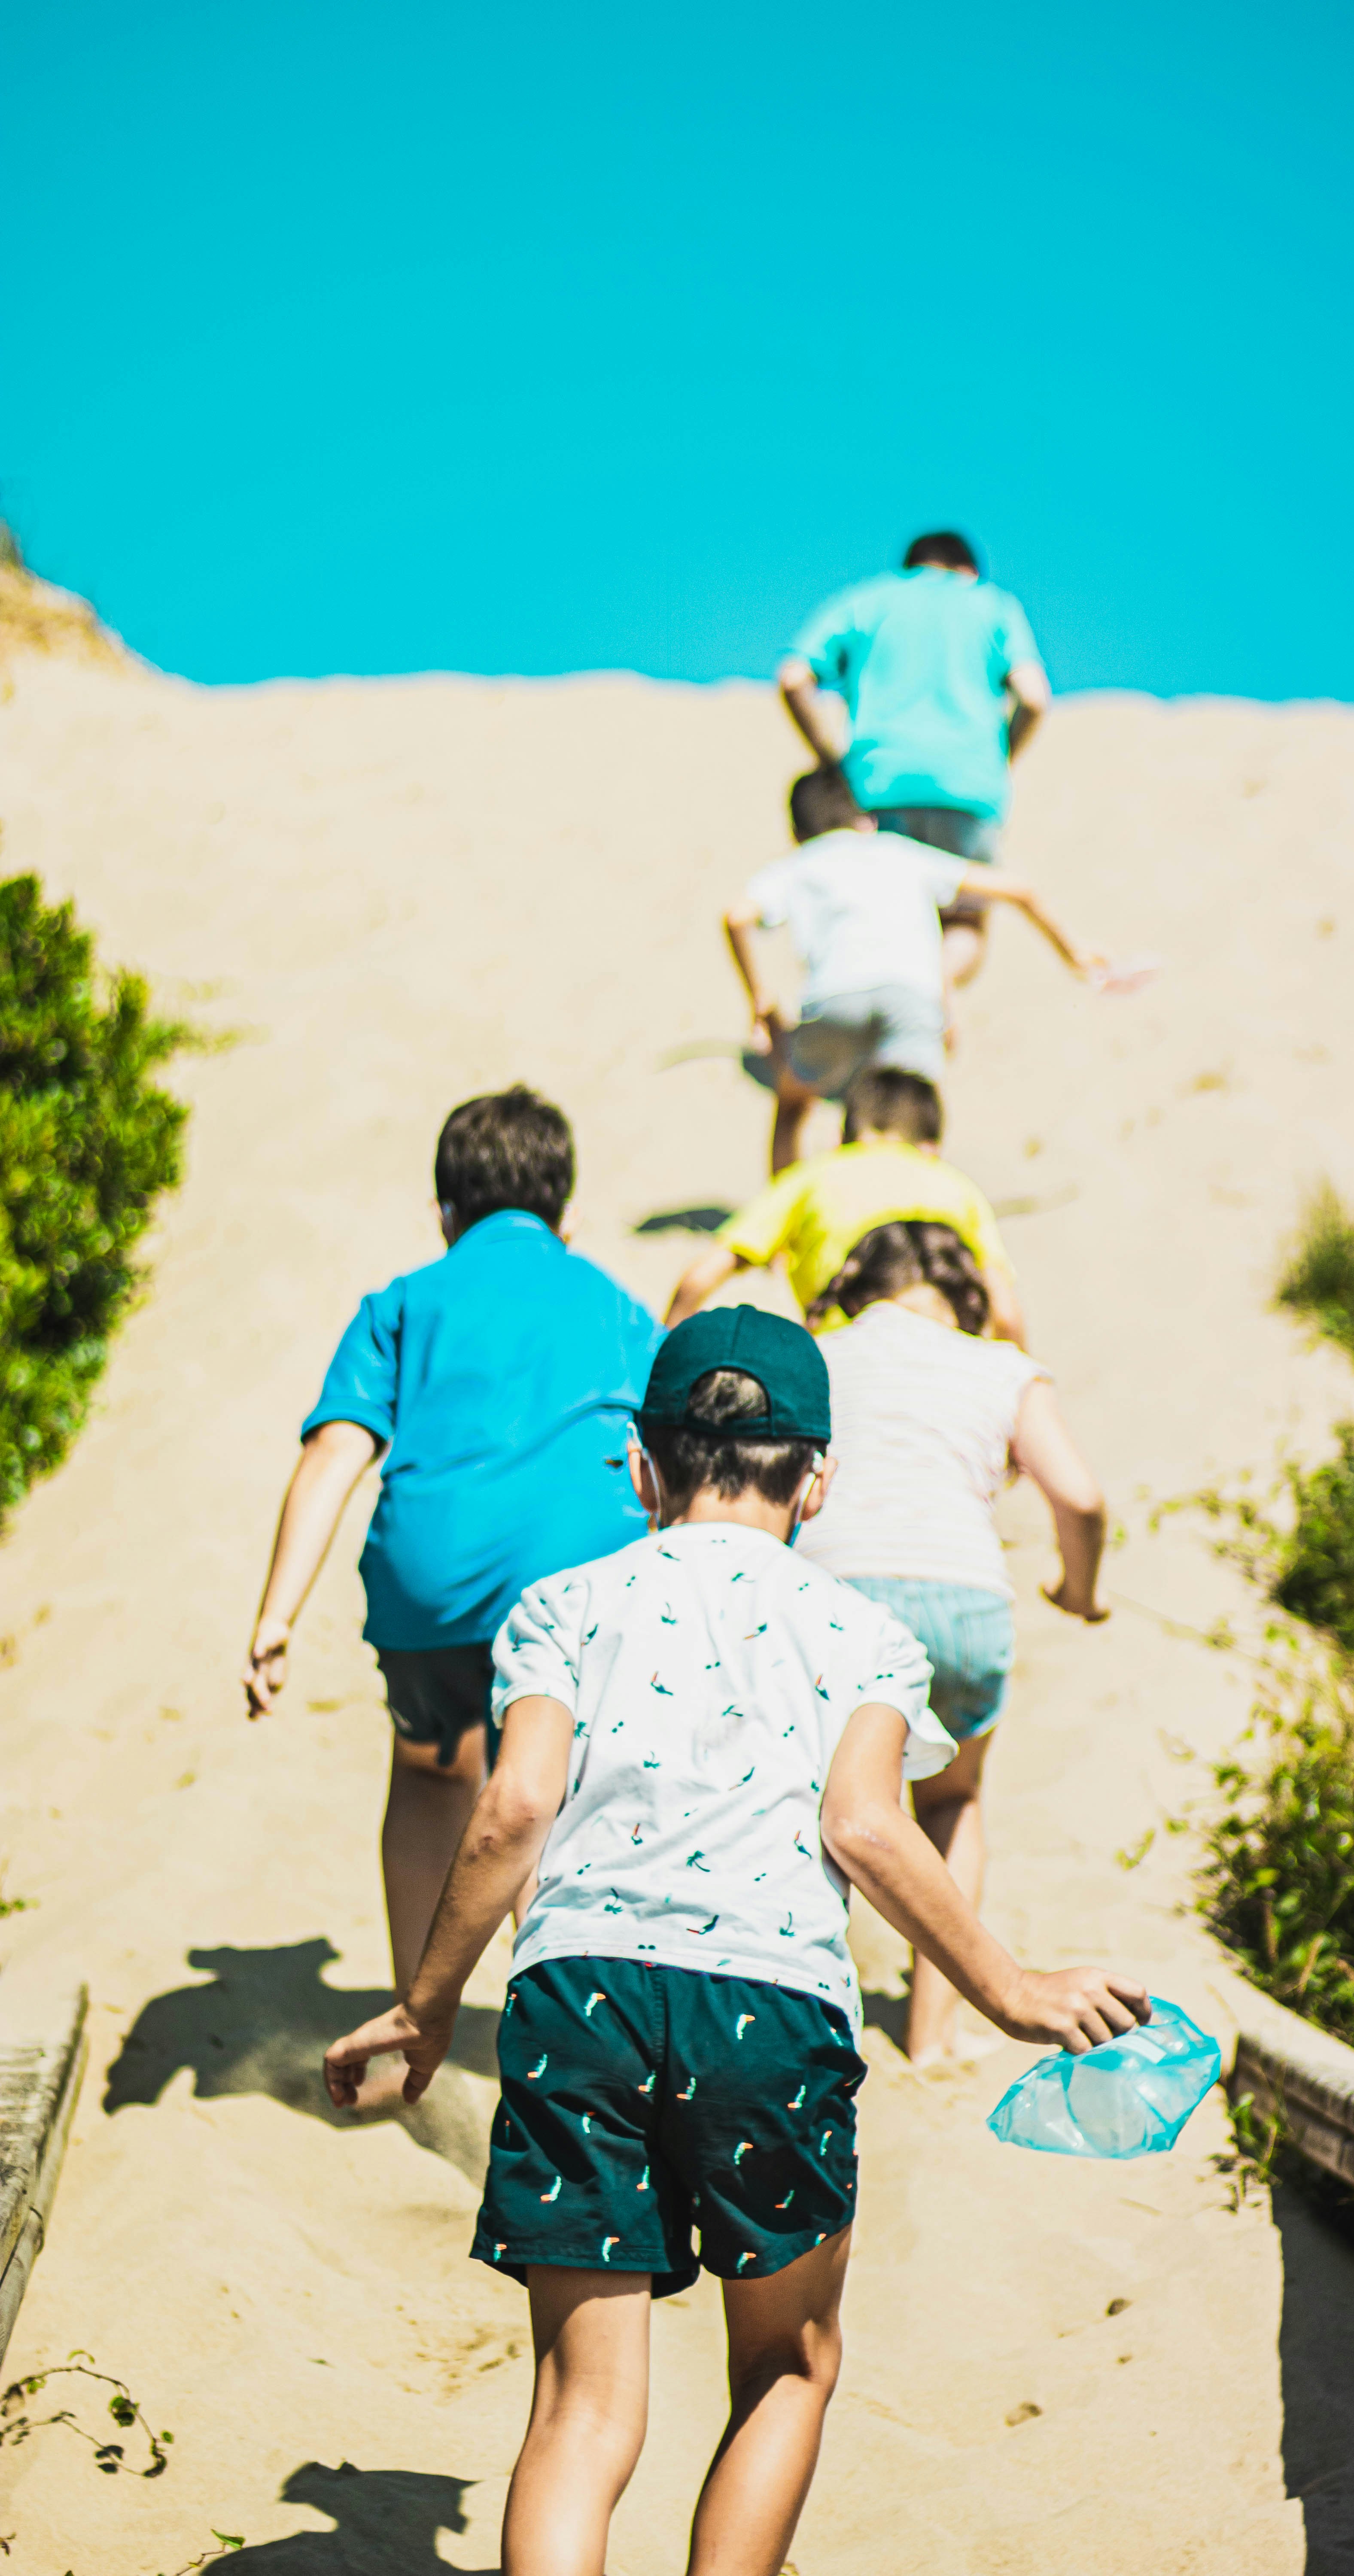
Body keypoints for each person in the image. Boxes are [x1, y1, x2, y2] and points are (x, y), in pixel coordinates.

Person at [323, 1307, 1146, 2576]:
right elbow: (866, 1824)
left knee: (579, 2408)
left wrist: (429, 2004)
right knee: (785, 2364)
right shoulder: (865, 1635)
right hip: (769, 2003)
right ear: (819, 1475)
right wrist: (1011, 1988)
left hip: (576, 1996)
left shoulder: (560, 1605)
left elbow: (513, 1808)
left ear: (644, 1465)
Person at [243, 1086, 662, 2008]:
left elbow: (334, 1452)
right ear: (568, 1213)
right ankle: (559, 2021)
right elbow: (670, 1453)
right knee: (551, 1787)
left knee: (434, 1773)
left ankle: (415, 2011)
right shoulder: (617, 1306)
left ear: (443, 1213)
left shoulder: (400, 1304)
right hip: (578, 1579)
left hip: (426, 1585)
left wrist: (276, 1616)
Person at [797, 1220, 1108, 2065]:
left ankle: (797, 2003)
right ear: (962, 1298)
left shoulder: (814, 1356)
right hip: (961, 1598)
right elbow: (1077, 1499)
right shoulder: (1003, 1369)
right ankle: (931, 2035)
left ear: (855, 1288)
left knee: (807, 1798)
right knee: (949, 1802)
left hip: (830, 1595)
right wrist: (1077, 1592)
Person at [727, 766, 1104, 1174]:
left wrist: (760, 1001)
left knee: (795, 1102)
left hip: (834, 998)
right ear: (866, 820)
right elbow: (1018, 890)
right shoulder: (898, 851)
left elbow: (736, 918)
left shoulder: (799, 864)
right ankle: (921, 1215)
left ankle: (785, 1221)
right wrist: (1073, 953)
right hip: (913, 998)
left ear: (798, 833)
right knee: (913, 1115)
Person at [777, 532, 1050, 986]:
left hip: (875, 788)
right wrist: (999, 759)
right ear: (968, 571)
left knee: (880, 919)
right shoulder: (993, 605)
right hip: (968, 790)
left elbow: (793, 678)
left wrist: (831, 762)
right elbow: (1035, 698)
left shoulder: (866, 601)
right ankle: (932, 993)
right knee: (964, 923)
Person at [665, 1066, 1028, 1346]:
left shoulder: (812, 1177)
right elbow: (1007, 1318)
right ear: (931, 1147)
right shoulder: (958, 1188)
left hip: (838, 1370)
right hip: (944, 1370)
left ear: (841, 1141)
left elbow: (698, 1280)